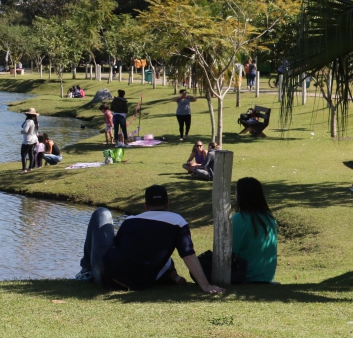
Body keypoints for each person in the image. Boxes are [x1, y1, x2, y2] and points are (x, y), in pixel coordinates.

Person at [75, 185, 225, 294]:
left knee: (102, 213)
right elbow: (188, 255)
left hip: (106, 275)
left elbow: (116, 245)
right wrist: (205, 285)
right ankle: (169, 273)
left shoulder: (131, 220)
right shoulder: (178, 221)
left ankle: (86, 270)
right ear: (167, 204)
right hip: (139, 283)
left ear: (146, 206)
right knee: (161, 257)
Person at [233, 177, 278, 283]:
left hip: (245, 275)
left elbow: (229, 251)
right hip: (267, 276)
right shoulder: (269, 218)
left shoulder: (240, 218)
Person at [20, 108, 39, 173]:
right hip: (34, 139)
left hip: (28, 140)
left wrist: (21, 131)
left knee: (23, 154)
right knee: (31, 153)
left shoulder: (28, 121)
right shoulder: (36, 122)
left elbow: (25, 131)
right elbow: (37, 132)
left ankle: (24, 169)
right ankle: (31, 167)